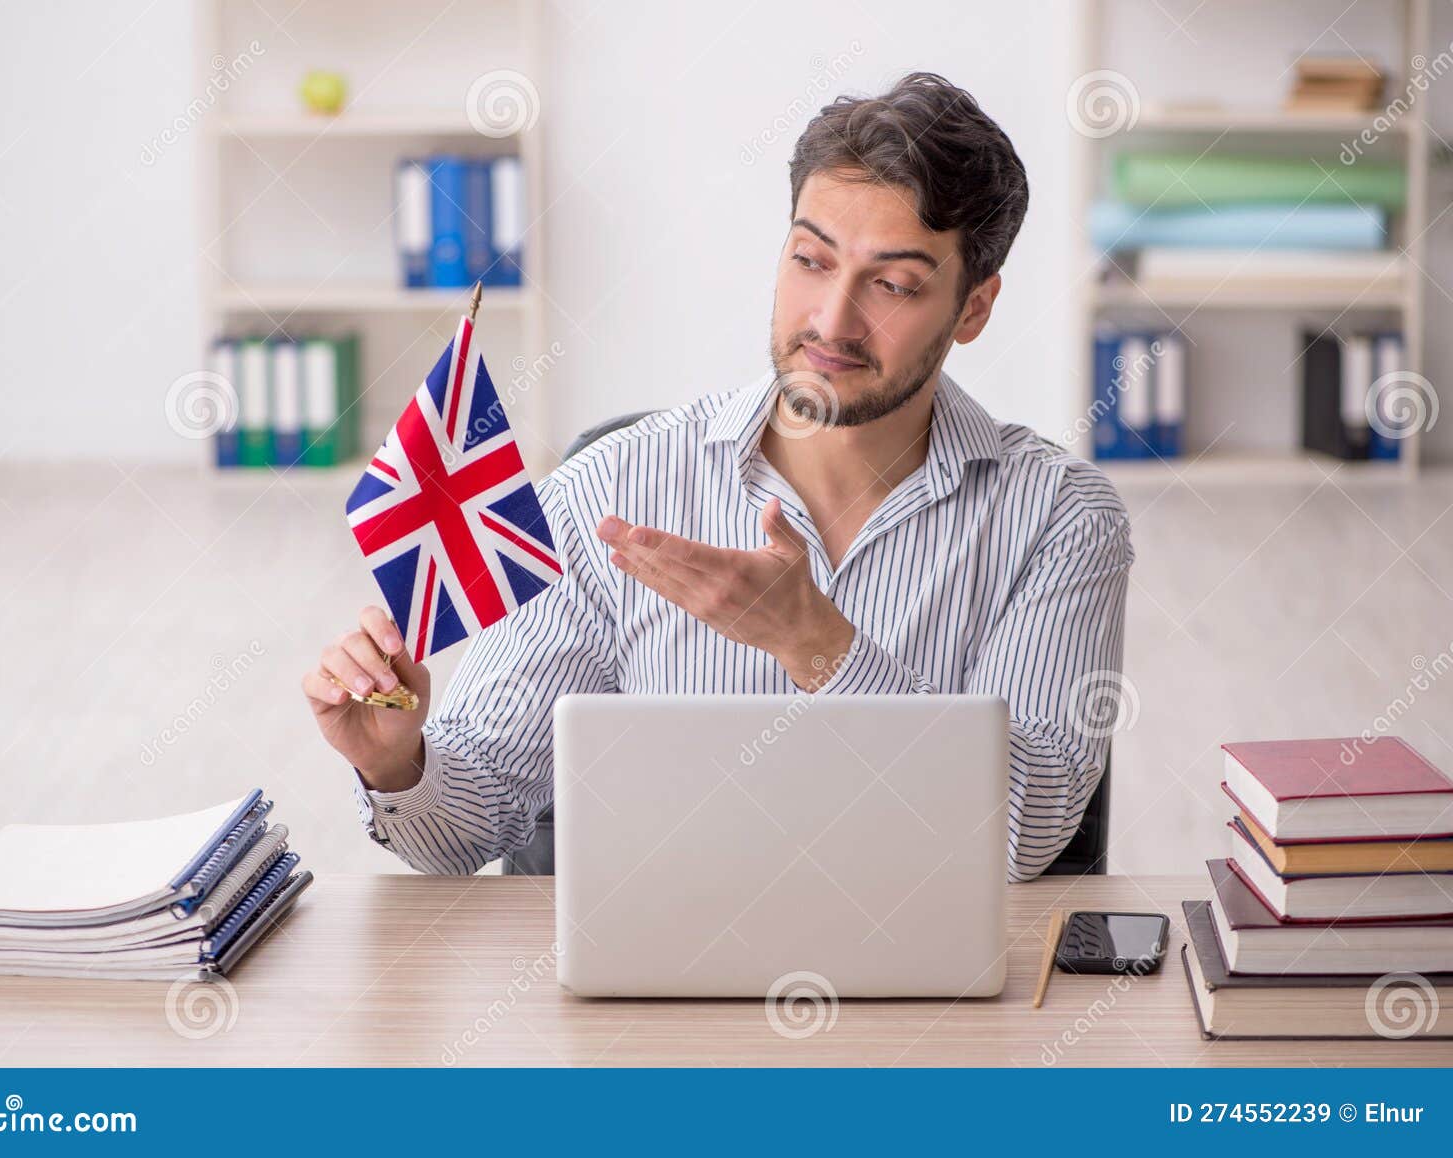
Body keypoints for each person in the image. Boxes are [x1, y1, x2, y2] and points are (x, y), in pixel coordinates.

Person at [302, 71, 1133, 881]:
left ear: (974, 308)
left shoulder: (1058, 517)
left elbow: (1023, 836)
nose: (832, 320)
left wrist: (818, 647)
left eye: (892, 284)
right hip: (660, 997)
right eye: (811, 260)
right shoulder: (609, 491)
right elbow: (466, 829)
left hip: (938, 1003)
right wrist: (400, 766)